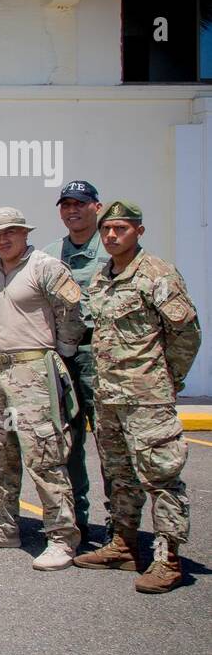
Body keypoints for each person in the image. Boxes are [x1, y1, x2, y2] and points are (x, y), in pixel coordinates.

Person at [74, 200, 201, 593]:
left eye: (122, 229)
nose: (112, 236)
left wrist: (167, 379)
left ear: (138, 232)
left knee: (161, 476)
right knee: (119, 475)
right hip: (109, 396)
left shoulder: (157, 275)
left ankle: (168, 559)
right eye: (107, 229)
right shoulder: (102, 278)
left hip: (147, 397)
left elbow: (186, 334)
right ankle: (124, 545)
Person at [0, 207, 85, 571]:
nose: (3, 239)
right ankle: (3, 526)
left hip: (34, 370)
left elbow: (73, 313)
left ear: (24, 233)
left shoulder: (45, 267)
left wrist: (58, 353)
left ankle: (62, 538)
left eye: (10, 232)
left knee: (44, 455)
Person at [41, 180, 111, 545]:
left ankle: (119, 525)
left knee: (113, 444)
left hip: (104, 358)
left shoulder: (114, 248)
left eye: (80, 204)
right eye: (66, 205)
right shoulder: (50, 254)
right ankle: (77, 519)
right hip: (62, 356)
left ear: (96, 207)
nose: (73, 210)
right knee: (66, 442)